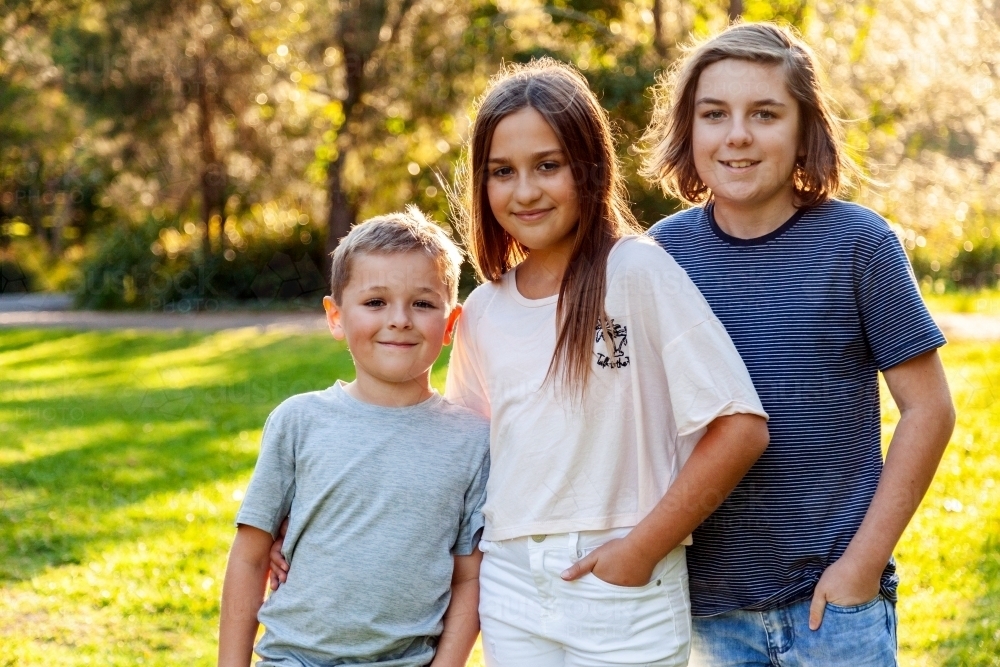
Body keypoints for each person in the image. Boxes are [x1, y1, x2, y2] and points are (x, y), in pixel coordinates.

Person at [640, 22, 956, 666]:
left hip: (834, 608)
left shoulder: (859, 244)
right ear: (689, 130)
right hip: (707, 614)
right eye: (714, 114)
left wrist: (861, 567)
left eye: (765, 113)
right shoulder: (659, 256)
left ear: (804, 129)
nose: (737, 134)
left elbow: (930, 410)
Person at [444, 59, 770, 666]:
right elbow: (460, 459)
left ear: (588, 168)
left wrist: (642, 549)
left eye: (548, 165)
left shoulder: (636, 271)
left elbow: (740, 427)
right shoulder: (484, 311)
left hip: (621, 582)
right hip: (511, 587)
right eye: (501, 172)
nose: (525, 190)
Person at [217, 209, 491, 667]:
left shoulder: (472, 440)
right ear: (336, 316)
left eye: (423, 304)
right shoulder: (298, 421)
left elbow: (468, 577)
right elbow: (249, 557)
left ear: (450, 323)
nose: (400, 319)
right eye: (375, 302)